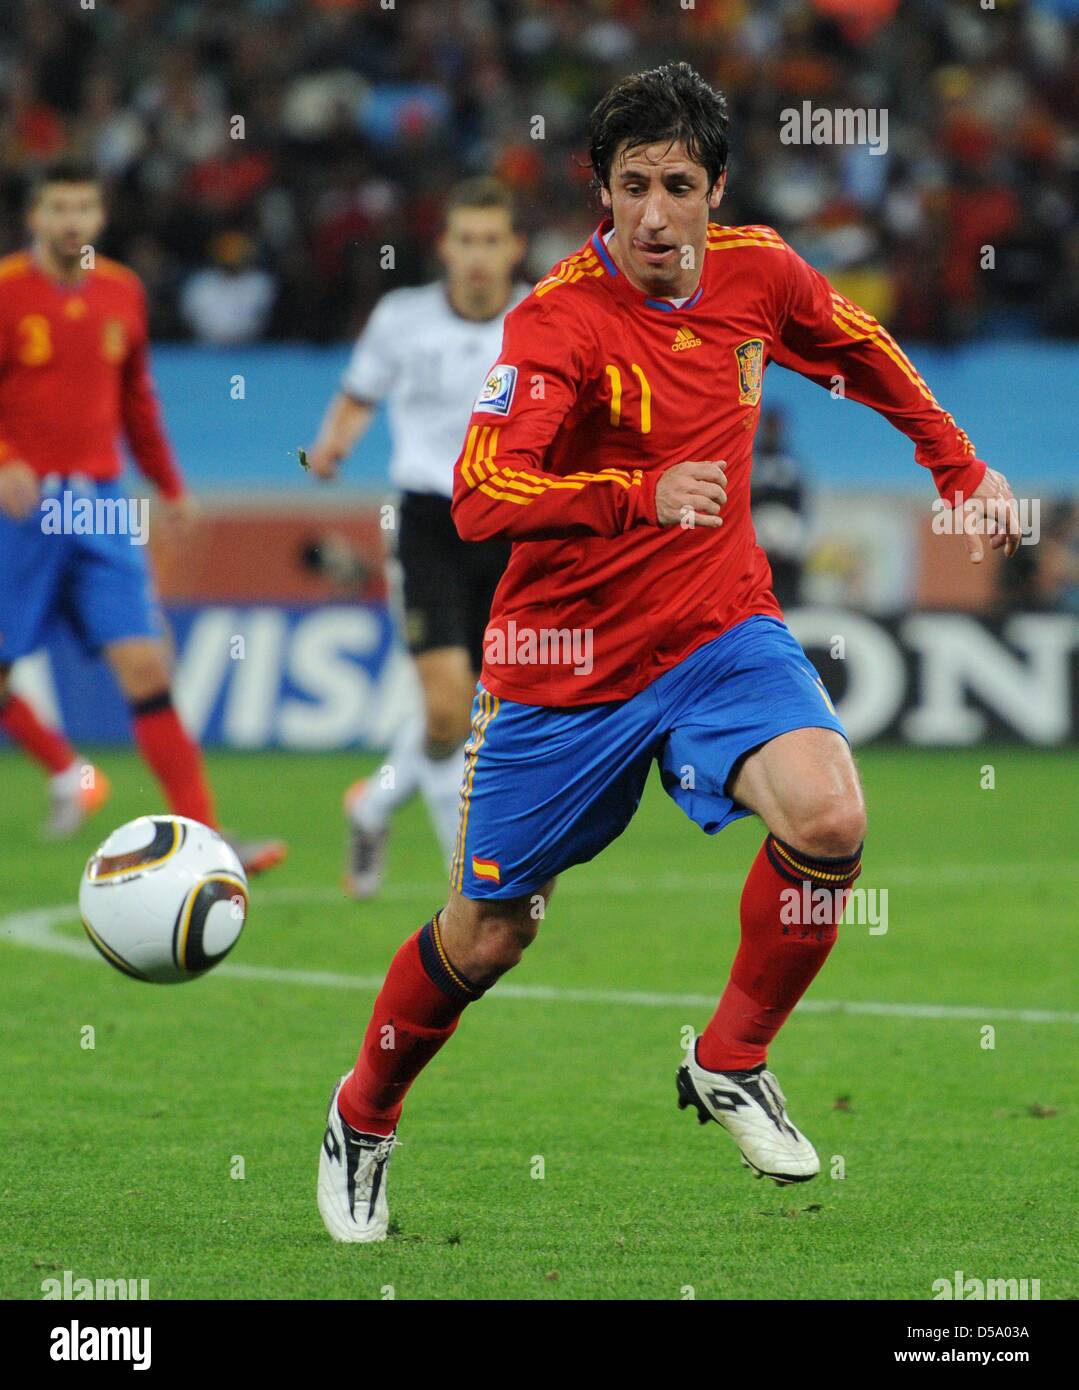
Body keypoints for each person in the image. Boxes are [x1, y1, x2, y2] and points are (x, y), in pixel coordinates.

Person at [316, 64, 1019, 1242]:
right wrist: (635, 492)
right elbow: (480, 493)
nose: (651, 212)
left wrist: (953, 464)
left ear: (715, 192)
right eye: (629, 185)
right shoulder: (556, 319)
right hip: (563, 667)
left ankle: (730, 1057)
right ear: (599, 192)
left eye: (676, 186)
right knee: (489, 933)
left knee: (829, 815)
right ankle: (364, 1111)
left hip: (715, 631)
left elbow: (857, 346)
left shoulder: (759, 274)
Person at [0, 159, 285, 874]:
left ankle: (209, 842)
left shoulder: (122, 291)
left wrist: (169, 484)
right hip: (21, 505)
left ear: (99, 218)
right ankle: (69, 772)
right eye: (58, 207)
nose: (72, 222)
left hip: (98, 504)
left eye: (84, 208)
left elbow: (137, 401)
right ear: (35, 217)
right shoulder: (6, 292)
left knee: (146, 662)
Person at [305, 177, 528, 897]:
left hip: (513, 522)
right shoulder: (402, 318)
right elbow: (358, 392)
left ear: (514, 248)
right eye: (465, 240)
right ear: (444, 246)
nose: (477, 256)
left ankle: (372, 804)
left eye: (491, 241)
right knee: (446, 708)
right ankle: (464, 878)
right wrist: (330, 445)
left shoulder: (542, 317)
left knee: (482, 712)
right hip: (428, 521)